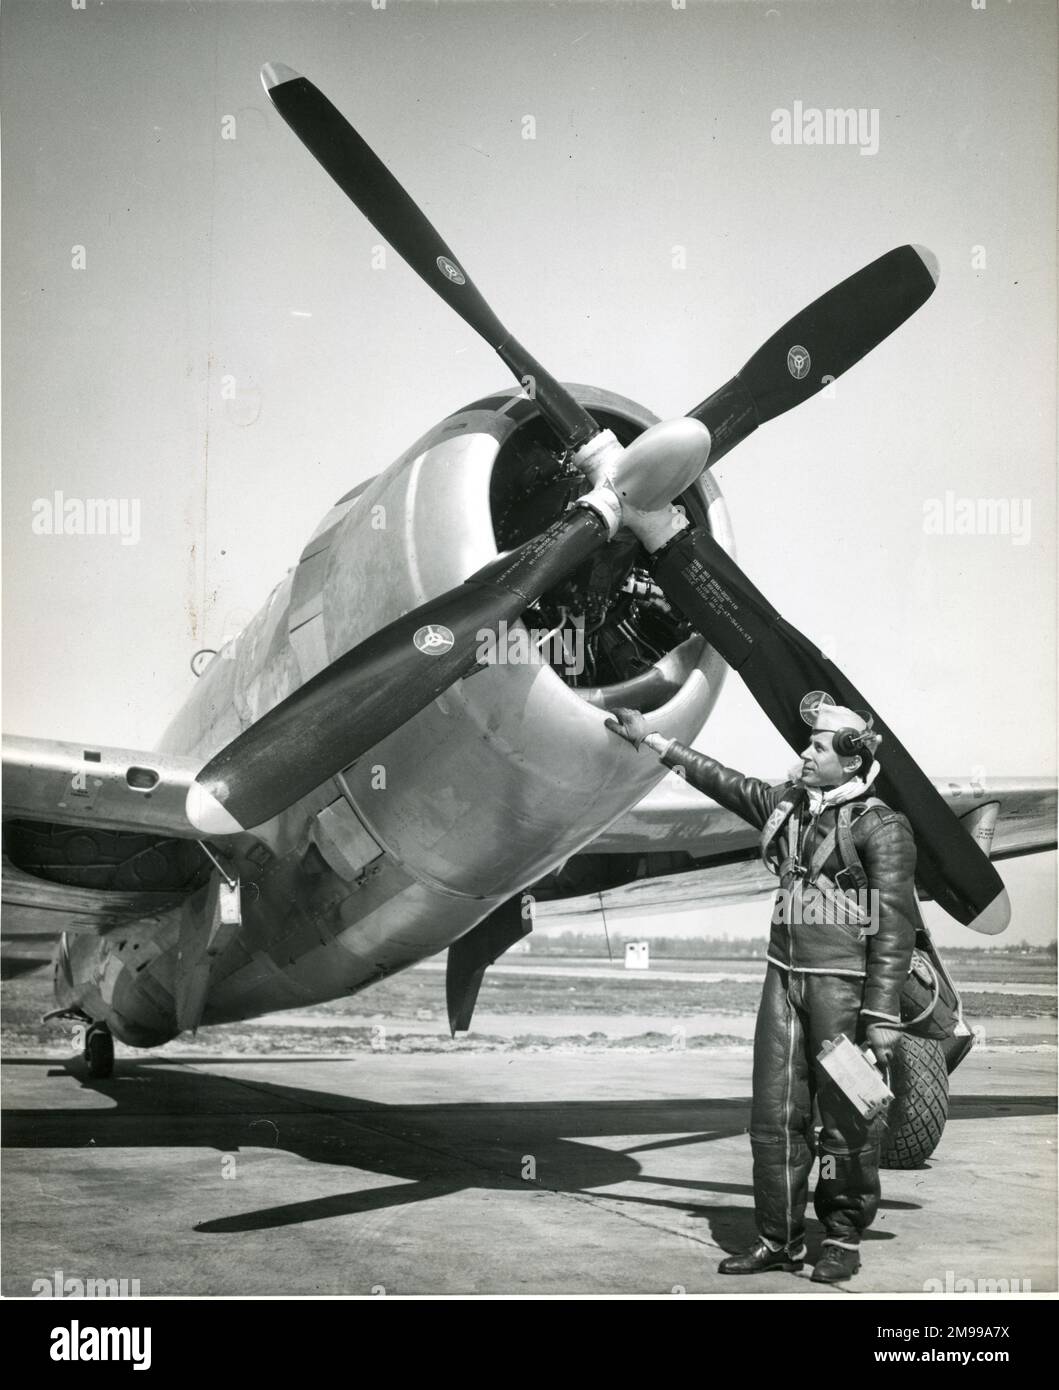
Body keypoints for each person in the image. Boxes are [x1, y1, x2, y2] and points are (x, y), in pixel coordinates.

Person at [606, 696, 917, 1283]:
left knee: (849, 1121)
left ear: (850, 763)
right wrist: (652, 738)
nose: (805, 753)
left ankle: (843, 1239)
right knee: (773, 1118)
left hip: (844, 994)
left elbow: (895, 929)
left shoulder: (883, 828)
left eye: (819, 748)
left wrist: (880, 1016)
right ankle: (780, 1239)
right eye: (808, 744)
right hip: (784, 982)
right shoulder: (788, 807)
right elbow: (721, 780)